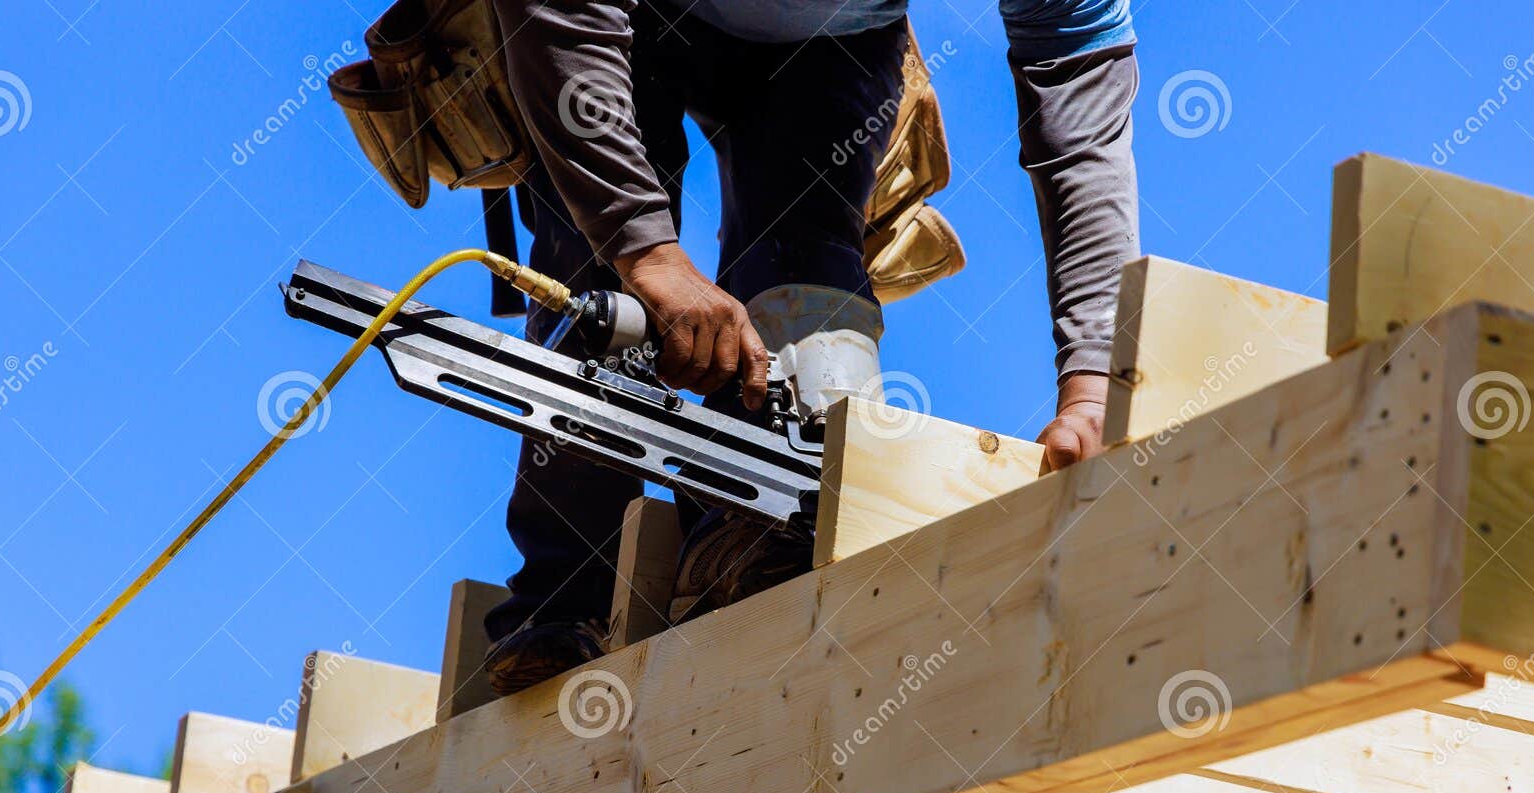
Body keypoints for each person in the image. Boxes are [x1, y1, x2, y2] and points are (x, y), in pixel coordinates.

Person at [481, 0, 1139, 693]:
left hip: (832, 42)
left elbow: (1081, 103)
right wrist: (643, 250)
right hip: (620, 20)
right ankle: (565, 594)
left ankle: (750, 545)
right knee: (599, 274)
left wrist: (1094, 383)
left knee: (808, 285)